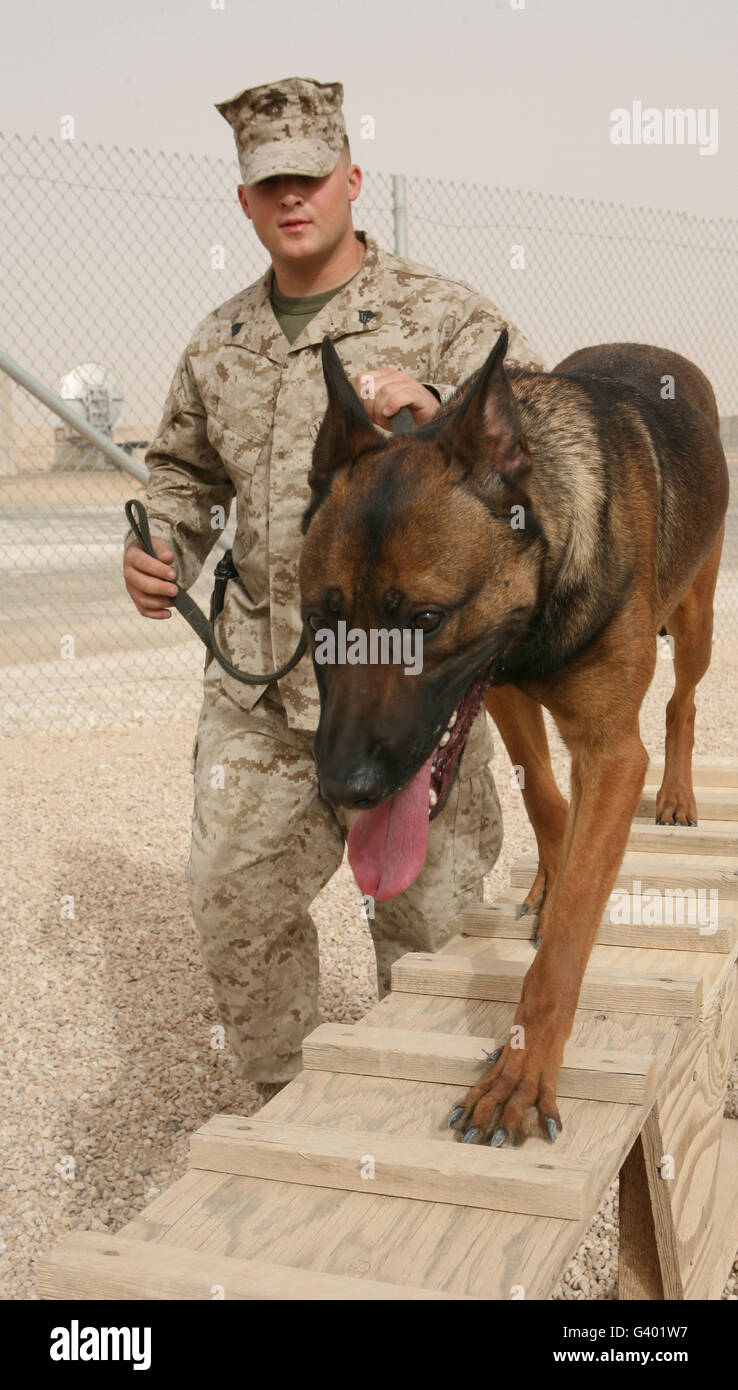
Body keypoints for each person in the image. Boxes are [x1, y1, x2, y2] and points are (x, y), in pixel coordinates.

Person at [123, 76, 545, 1099]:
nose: (292, 199)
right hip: (268, 695)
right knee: (235, 903)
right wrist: (164, 541)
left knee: (433, 930)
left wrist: (443, 405)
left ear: (353, 179)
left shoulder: (443, 315)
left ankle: (424, 1123)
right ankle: (290, 1107)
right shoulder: (219, 343)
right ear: (245, 203)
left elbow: (539, 425)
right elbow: (181, 470)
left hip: (406, 686)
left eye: (310, 177)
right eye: (270, 185)